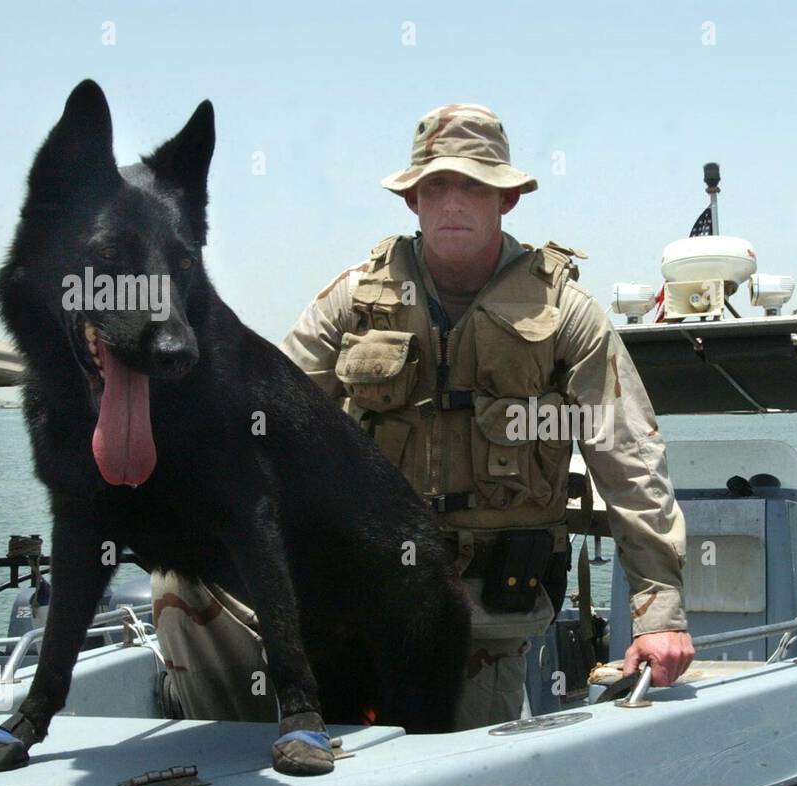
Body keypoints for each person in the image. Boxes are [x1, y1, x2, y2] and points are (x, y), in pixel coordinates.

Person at [280, 104, 693, 729]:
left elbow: (628, 457)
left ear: (507, 200)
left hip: (489, 608)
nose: (452, 203)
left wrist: (657, 613)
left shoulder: (567, 314)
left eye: (474, 186)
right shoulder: (354, 300)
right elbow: (270, 421)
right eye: (436, 185)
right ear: (412, 200)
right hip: (363, 589)